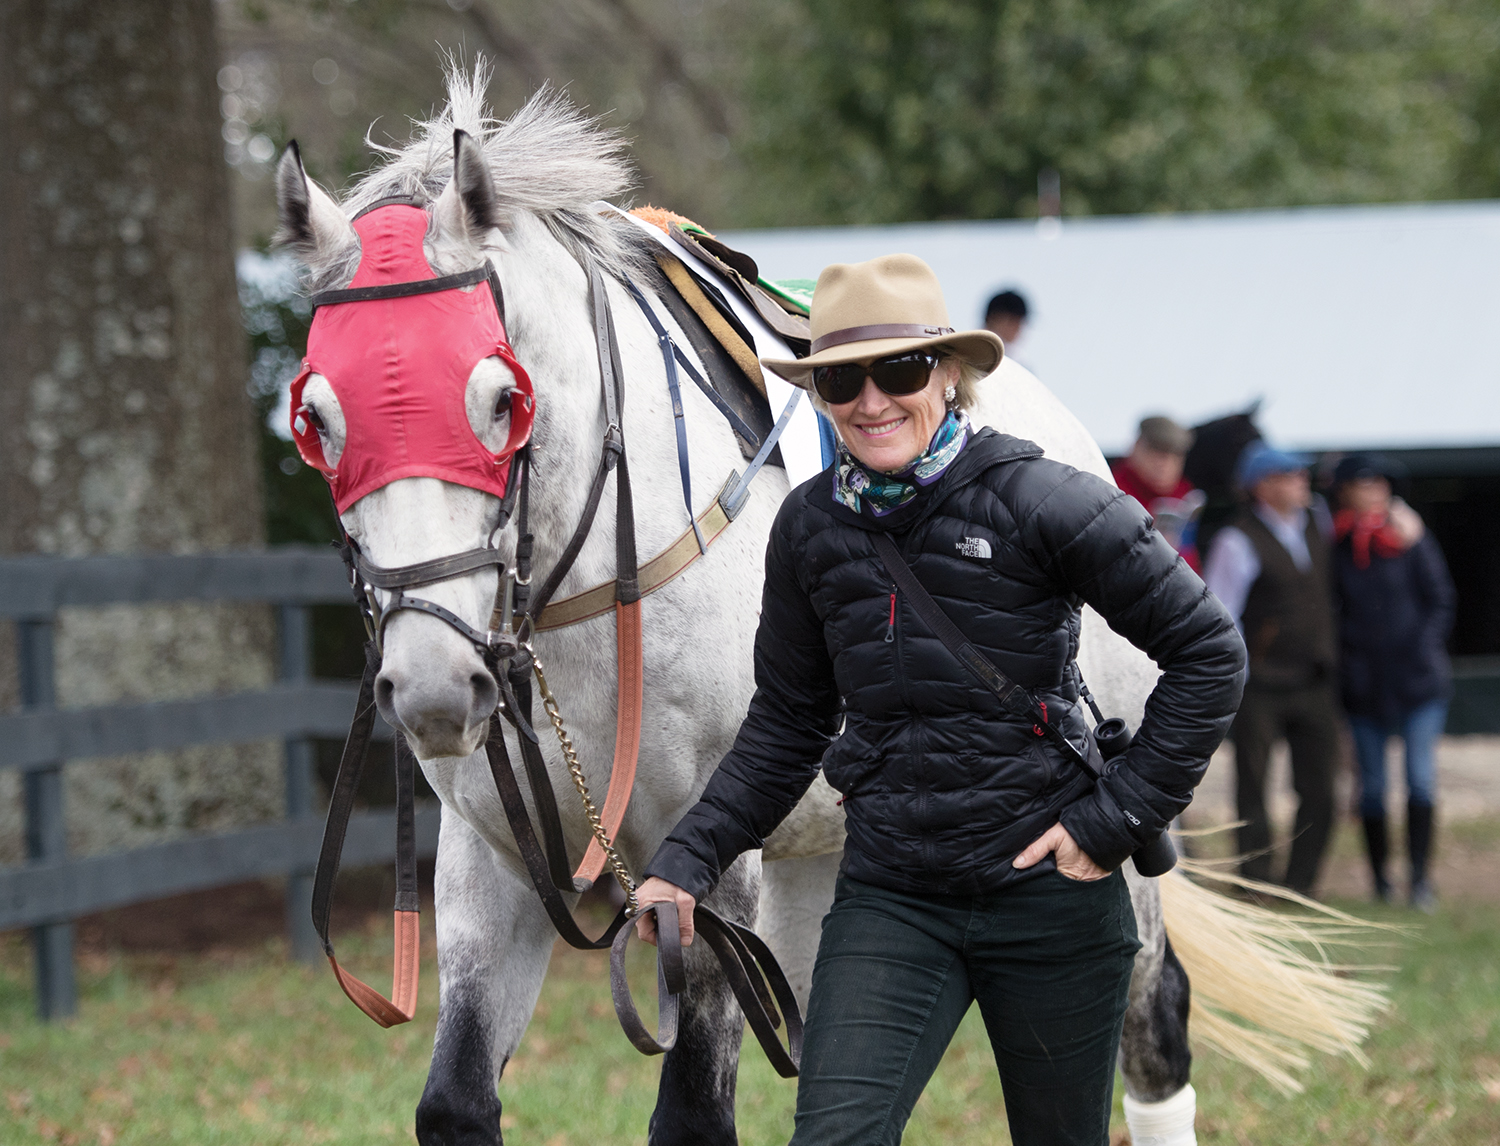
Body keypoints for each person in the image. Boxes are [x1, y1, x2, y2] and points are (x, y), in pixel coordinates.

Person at [633, 253, 1246, 1146]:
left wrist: (1117, 817)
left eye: (901, 370)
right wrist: (688, 857)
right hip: (894, 895)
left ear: (948, 374)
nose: (872, 400)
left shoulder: (1046, 499)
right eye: (843, 379)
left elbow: (1209, 652)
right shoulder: (808, 529)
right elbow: (787, 724)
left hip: (1050, 891)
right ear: (821, 394)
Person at [1202, 442, 1340, 896]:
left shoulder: (1315, 523)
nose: (1302, 481)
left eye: (1302, 474)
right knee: (1254, 788)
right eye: (1289, 475)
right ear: (1262, 485)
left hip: (1315, 678)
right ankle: (1257, 884)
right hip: (1261, 683)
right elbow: (1224, 616)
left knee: (1321, 788)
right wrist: (1235, 678)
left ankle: (1301, 884)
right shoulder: (1236, 539)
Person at [1331, 454, 1455, 910]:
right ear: (1347, 492)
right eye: (1364, 484)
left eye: (1379, 483)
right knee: (1374, 787)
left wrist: (1423, 648)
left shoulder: (1412, 538)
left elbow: (1440, 599)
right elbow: (1333, 609)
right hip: (1365, 686)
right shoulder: (1338, 544)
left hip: (1418, 681)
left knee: (1420, 780)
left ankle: (1420, 879)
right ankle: (1382, 880)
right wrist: (1351, 662)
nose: (1373, 491)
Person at [1111, 416, 1205, 570]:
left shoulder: (1185, 496)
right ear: (1135, 447)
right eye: (1156, 452)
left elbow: (1191, 559)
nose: (1165, 465)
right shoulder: (1112, 489)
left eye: (1175, 456)